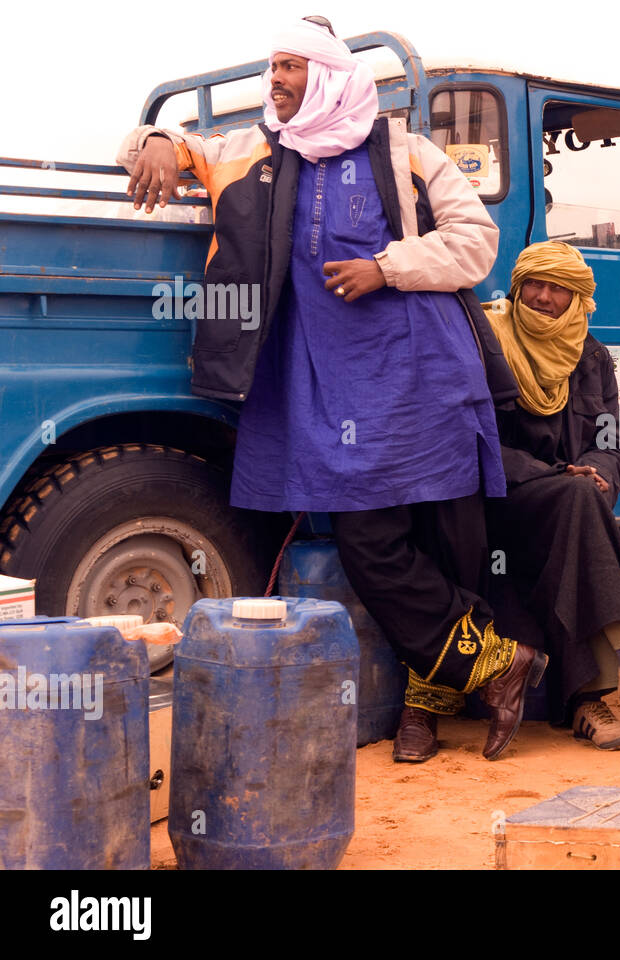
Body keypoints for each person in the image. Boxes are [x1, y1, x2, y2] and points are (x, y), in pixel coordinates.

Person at [118, 18, 544, 763]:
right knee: (370, 542)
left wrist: (389, 265)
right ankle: (495, 663)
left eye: (290, 67)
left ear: (327, 75)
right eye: (272, 68)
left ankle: (426, 705)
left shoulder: (405, 149)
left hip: (424, 374)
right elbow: (172, 150)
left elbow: (478, 243)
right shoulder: (252, 149)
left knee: (452, 541)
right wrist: (152, 140)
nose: (275, 80)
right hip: (327, 389)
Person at [484, 241, 620, 750]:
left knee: (582, 503)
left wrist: (600, 474)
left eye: (557, 289)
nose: (542, 297)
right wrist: (558, 475)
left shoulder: (592, 355)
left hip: (569, 506)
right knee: (577, 500)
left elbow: (609, 442)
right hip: (502, 501)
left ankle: (587, 705)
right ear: (517, 288)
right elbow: (475, 442)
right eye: (534, 285)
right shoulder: (490, 343)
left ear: (577, 299)